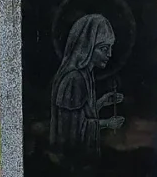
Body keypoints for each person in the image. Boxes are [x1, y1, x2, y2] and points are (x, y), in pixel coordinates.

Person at [49, 13, 125, 152]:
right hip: (74, 159)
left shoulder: (85, 75)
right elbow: (73, 129)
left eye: (110, 48)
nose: (109, 54)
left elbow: (80, 116)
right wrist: (107, 124)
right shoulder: (74, 79)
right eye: (103, 49)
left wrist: (102, 102)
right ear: (87, 47)